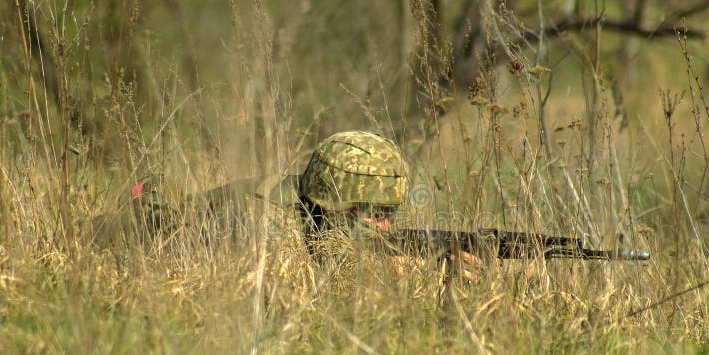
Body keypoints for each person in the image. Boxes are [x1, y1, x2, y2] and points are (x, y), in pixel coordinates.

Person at [92, 130, 479, 277]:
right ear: (332, 203)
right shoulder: (262, 223)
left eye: (388, 214)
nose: (384, 226)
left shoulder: (315, 214)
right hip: (141, 230)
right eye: (372, 213)